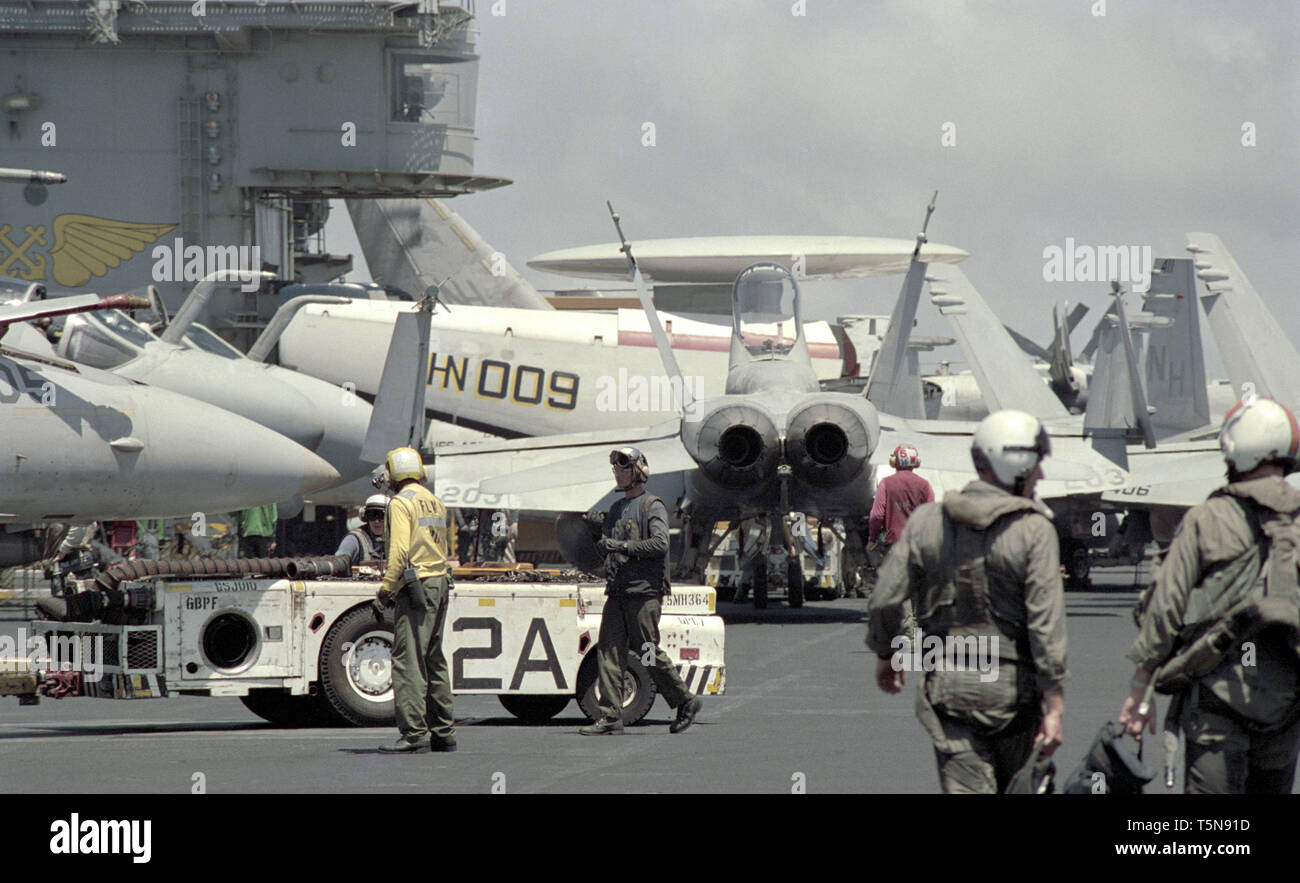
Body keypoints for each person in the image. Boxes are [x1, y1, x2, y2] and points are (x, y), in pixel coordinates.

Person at [866, 410, 1067, 793]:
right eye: (1037, 465)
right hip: (1014, 694)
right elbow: (1046, 624)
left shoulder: (928, 522)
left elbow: (885, 597)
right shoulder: (1035, 530)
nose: (1040, 475)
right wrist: (1054, 701)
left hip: (950, 687)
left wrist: (886, 653)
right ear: (1019, 466)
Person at [1119, 397, 1300, 793]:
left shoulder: (1207, 519)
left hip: (1217, 706)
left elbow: (1164, 609)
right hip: (1286, 708)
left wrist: (1140, 689)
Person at [579, 446, 703, 735]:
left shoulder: (652, 506)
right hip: (618, 592)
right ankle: (610, 716)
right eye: (615, 469)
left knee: (646, 652)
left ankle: (685, 701)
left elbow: (661, 544)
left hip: (644, 593)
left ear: (636, 472)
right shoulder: (616, 509)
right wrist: (596, 530)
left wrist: (620, 546)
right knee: (608, 651)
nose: (616, 473)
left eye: (622, 468)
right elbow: (603, 551)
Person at [372, 447, 458, 754]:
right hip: (440, 583)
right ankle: (443, 732)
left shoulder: (400, 503)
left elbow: (398, 555)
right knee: (434, 659)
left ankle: (413, 734)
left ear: (395, 471)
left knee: (408, 660)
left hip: (417, 586)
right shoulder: (433, 500)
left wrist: (385, 591)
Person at [860, 445, 934, 597]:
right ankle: (916, 618)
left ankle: (906, 620)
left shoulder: (886, 484)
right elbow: (932, 515)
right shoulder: (924, 485)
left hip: (894, 544)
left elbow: (876, 515)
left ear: (894, 461)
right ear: (916, 462)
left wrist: (873, 539)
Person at [335, 494, 387, 566]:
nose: (376, 521)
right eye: (371, 515)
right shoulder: (354, 539)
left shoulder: (397, 539)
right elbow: (339, 562)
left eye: (381, 516)